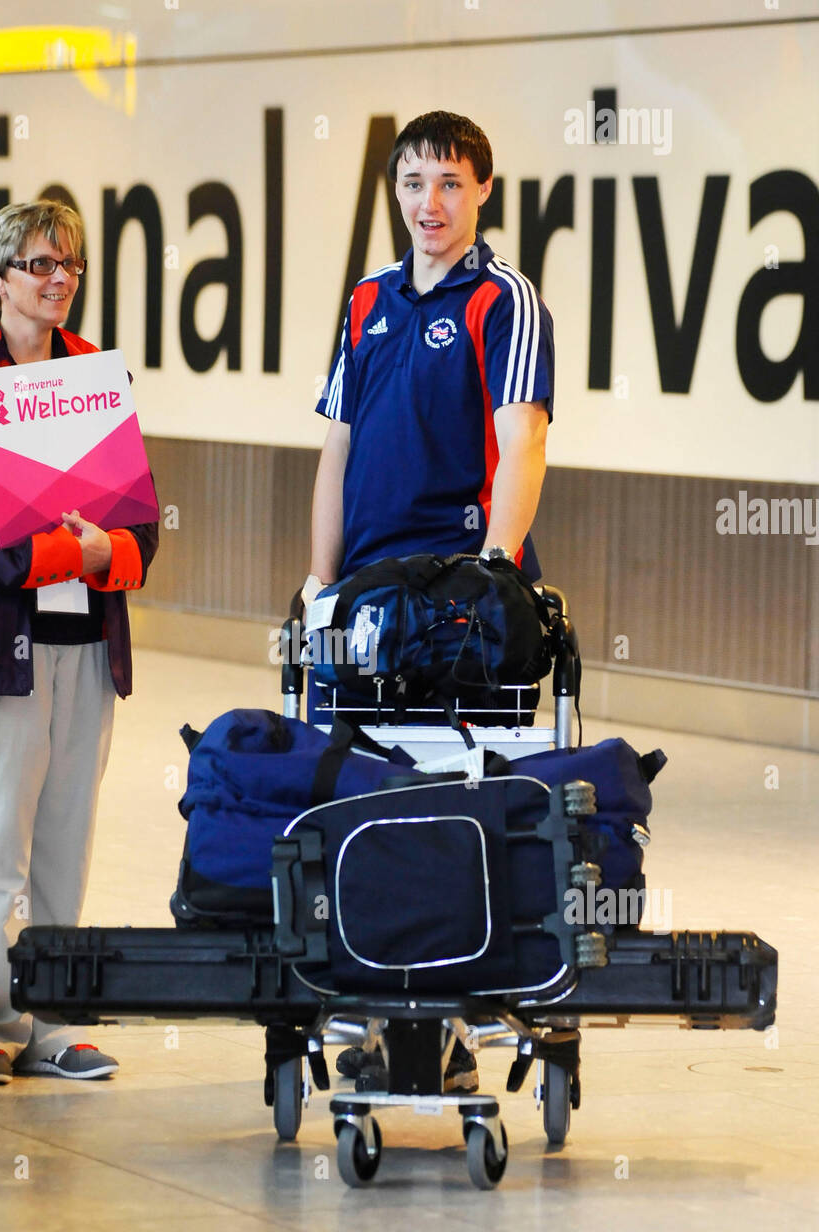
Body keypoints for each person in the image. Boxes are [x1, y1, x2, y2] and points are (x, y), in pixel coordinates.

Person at [305, 111, 556, 1092]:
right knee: (359, 795)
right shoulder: (366, 300)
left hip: (457, 597)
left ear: (482, 191)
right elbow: (334, 450)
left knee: (454, 799)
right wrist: (319, 587)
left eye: (448, 183)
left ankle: (447, 1021)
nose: (428, 204)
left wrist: (492, 571)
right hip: (364, 602)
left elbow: (522, 436)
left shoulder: (505, 300)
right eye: (411, 184)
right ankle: (376, 1011)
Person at [0, 200, 159, 1085]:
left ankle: (54, 1020)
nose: (59, 281)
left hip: (84, 642)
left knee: (64, 833)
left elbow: (139, 520)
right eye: (42, 265)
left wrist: (109, 553)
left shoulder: (92, 378)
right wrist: (39, 554)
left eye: (71, 267)